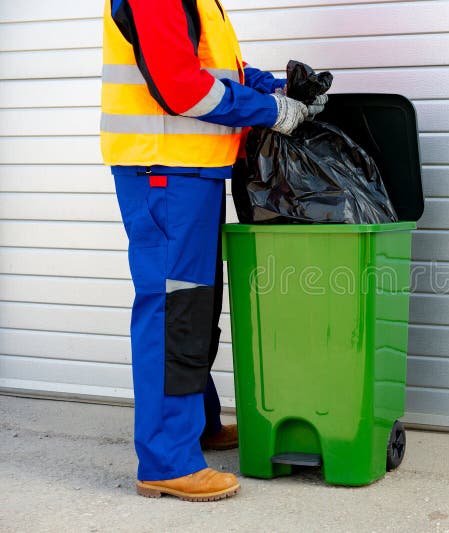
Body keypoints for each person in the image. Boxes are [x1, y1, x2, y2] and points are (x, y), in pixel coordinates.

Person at [100, 0, 324, 501]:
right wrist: (269, 111)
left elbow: (216, 67)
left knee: (194, 304)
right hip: (163, 172)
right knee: (173, 308)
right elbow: (181, 85)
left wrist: (272, 88)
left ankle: (196, 423)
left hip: (189, 172)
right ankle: (166, 460)